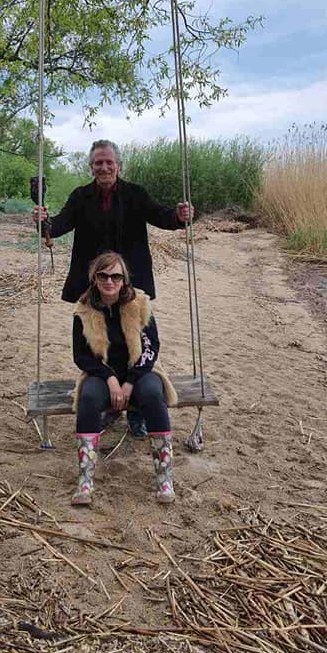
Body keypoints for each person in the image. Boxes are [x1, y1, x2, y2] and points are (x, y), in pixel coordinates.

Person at [33, 138, 192, 438]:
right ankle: (105, 403)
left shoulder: (135, 194)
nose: (104, 167)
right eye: (98, 163)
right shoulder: (81, 197)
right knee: (97, 344)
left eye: (109, 162)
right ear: (91, 167)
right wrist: (44, 223)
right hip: (93, 287)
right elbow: (60, 224)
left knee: (138, 343)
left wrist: (178, 217)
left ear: (118, 165)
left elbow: (162, 215)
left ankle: (138, 411)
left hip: (132, 286)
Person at [70, 252, 178, 506]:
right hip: (101, 371)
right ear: (94, 278)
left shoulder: (139, 303)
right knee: (88, 397)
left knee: (152, 394)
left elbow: (151, 348)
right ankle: (85, 480)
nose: (110, 281)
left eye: (116, 276)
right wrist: (109, 378)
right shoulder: (84, 310)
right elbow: (81, 356)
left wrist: (129, 381)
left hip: (138, 370)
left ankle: (164, 479)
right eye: (103, 275)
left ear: (124, 279)